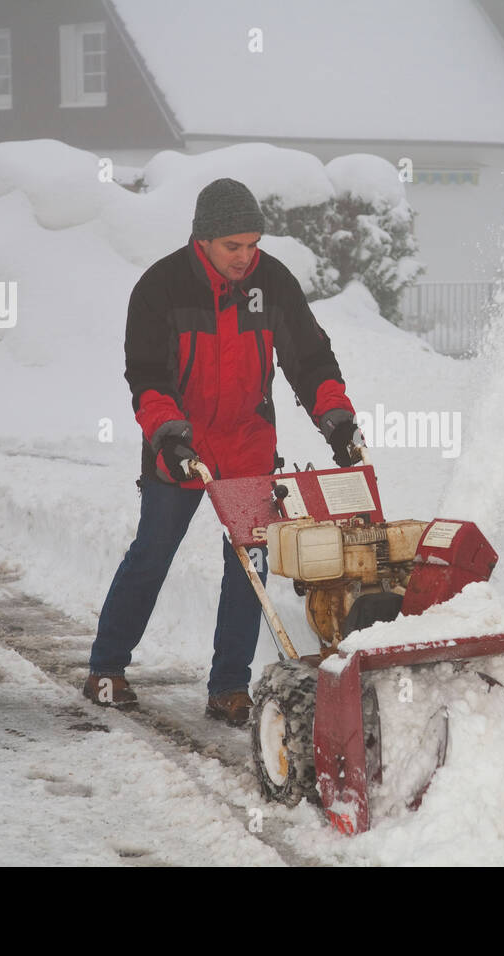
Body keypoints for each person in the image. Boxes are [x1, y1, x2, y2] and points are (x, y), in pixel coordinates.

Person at [83, 178, 364, 726]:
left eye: (252, 244)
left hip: (247, 446)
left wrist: (335, 416)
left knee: (250, 566)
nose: (245, 257)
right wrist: (169, 434)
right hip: (180, 447)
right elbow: (146, 376)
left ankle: (229, 687)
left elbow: (309, 358)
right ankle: (106, 669)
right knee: (153, 553)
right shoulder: (162, 288)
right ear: (204, 239)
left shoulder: (272, 283)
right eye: (233, 246)